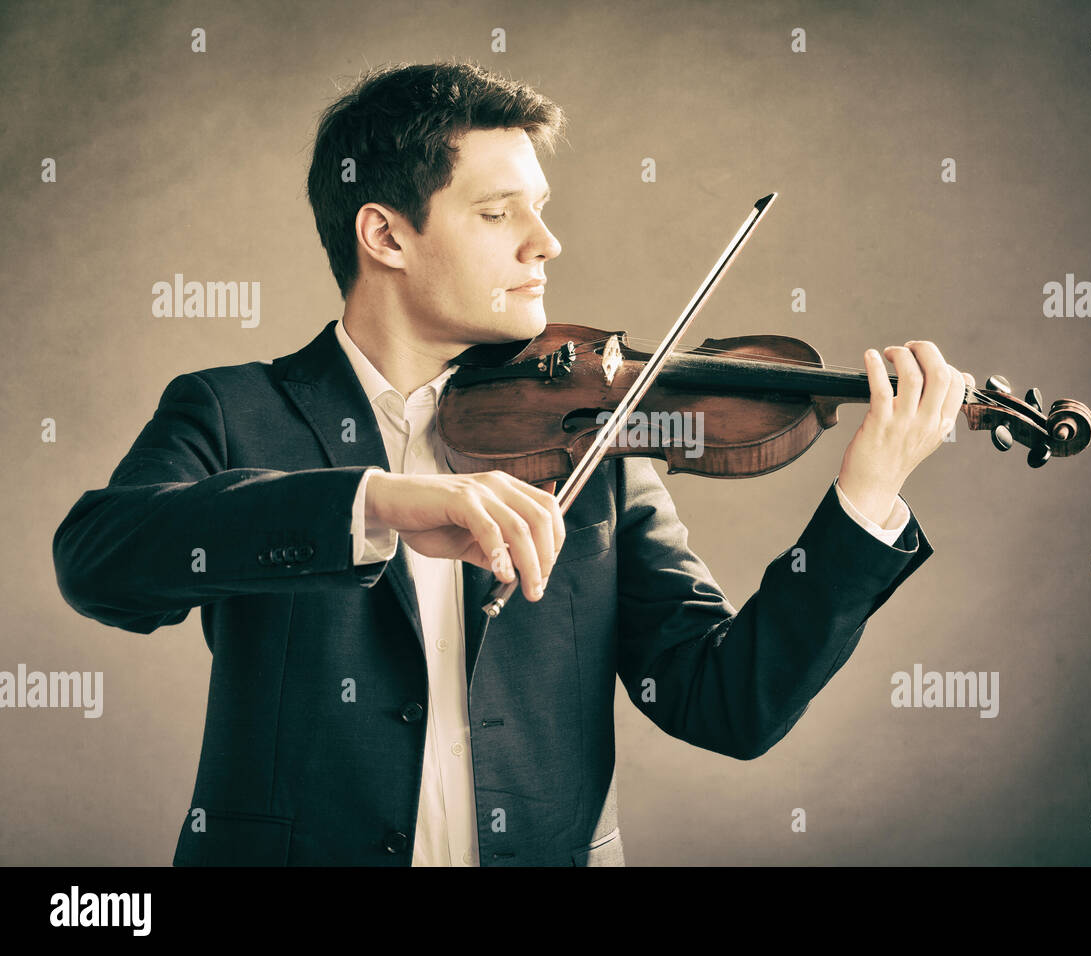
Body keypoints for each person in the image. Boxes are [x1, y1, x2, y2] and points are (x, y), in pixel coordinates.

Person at [52, 61, 975, 866]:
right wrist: (374, 502)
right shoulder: (233, 408)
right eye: (499, 213)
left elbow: (725, 704)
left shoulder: (592, 437)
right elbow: (99, 563)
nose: (547, 243)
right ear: (386, 236)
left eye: (541, 209)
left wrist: (864, 500)